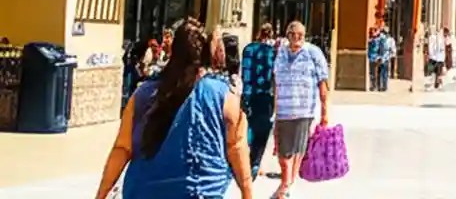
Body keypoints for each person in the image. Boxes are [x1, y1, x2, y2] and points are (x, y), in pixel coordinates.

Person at [93, 18, 252, 199]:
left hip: (144, 192)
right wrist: (247, 193)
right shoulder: (224, 97)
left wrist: (101, 194)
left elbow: (122, 149)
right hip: (200, 192)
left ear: (172, 50)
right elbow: (237, 149)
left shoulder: (143, 95)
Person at [272, 20, 331, 199]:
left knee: (297, 149)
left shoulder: (313, 52)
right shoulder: (280, 52)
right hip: (282, 109)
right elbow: (275, 81)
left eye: (300, 35)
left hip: (304, 109)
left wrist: (325, 112)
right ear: (287, 35)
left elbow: (323, 83)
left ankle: (286, 184)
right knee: (282, 151)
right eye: (293, 34)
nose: (296, 38)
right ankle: (287, 181)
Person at [240, 23, 277, 181]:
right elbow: (274, 77)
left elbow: (243, 71)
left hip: (248, 93)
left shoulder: (248, 49)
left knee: (247, 126)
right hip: (264, 94)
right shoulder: (273, 52)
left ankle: (244, 159)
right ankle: (255, 163)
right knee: (261, 131)